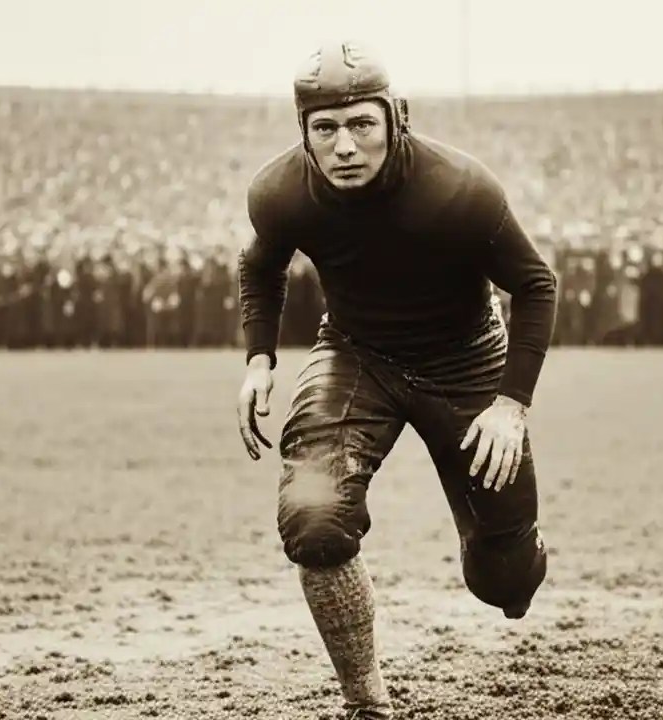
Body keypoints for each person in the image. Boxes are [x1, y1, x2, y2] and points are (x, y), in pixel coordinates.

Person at [235, 42, 557, 720]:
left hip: (466, 361)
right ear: (304, 134)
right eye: (325, 128)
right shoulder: (279, 191)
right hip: (356, 354)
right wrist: (259, 359)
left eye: (361, 124)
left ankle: (516, 552)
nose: (345, 144)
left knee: (504, 580)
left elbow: (535, 284)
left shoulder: (459, 187)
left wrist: (511, 404)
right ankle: (366, 701)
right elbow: (260, 267)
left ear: (394, 118)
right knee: (314, 519)